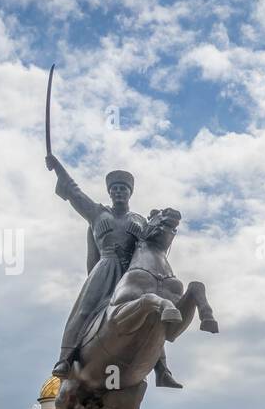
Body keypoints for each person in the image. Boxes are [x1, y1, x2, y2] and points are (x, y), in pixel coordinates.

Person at [46, 155, 183, 387]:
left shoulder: (140, 220)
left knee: (152, 315)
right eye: (116, 189)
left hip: (133, 273)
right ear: (110, 192)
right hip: (106, 269)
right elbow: (74, 191)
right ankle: (65, 359)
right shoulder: (97, 213)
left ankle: (162, 370)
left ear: (130, 193)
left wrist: (149, 230)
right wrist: (57, 166)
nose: (119, 192)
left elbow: (159, 244)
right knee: (84, 310)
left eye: (124, 189)